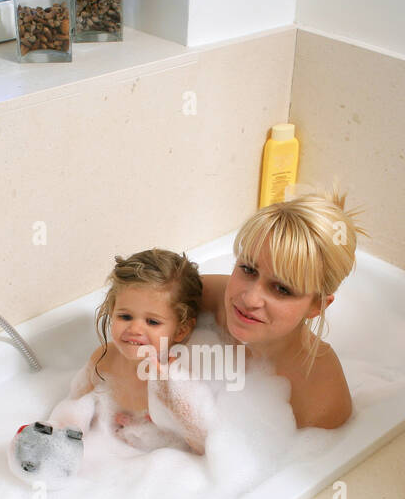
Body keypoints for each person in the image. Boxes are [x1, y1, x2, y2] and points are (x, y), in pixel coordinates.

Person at [154, 187, 365, 450]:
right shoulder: (204, 298)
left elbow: (246, 467)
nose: (250, 299)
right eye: (248, 269)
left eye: (282, 289)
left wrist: (181, 407)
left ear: (317, 306)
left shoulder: (320, 393)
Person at [9, 249, 203, 484]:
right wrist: (61, 431)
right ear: (112, 311)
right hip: (107, 465)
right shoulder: (105, 359)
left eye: (152, 321)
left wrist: (173, 401)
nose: (135, 329)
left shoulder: (180, 377)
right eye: (125, 316)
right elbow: (75, 402)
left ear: (181, 330)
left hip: (160, 475)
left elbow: (203, 446)